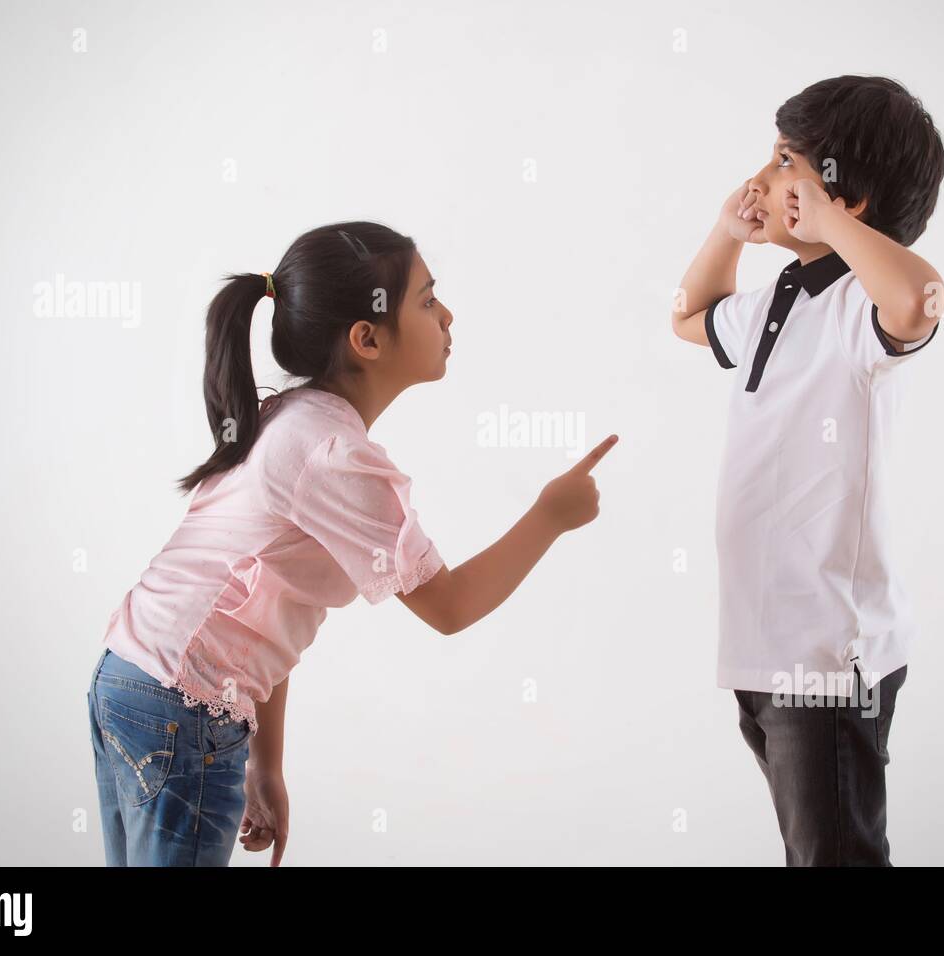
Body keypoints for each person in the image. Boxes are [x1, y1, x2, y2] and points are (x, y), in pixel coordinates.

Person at [87, 221, 618, 866]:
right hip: (181, 706)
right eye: (426, 300)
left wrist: (266, 765)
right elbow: (449, 607)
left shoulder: (293, 420)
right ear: (367, 338)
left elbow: (260, 606)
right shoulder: (332, 455)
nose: (447, 315)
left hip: (133, 676)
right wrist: (549, 515)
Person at [671, 76, 944, 865]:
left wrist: (825, 219)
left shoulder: (863, 307)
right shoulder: (776, 300)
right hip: (760, 642)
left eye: (785, 160)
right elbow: (689, 315)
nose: (761, 176)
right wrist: (728, 231)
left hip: (829, 652)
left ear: (843, 200)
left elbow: (921, 299)